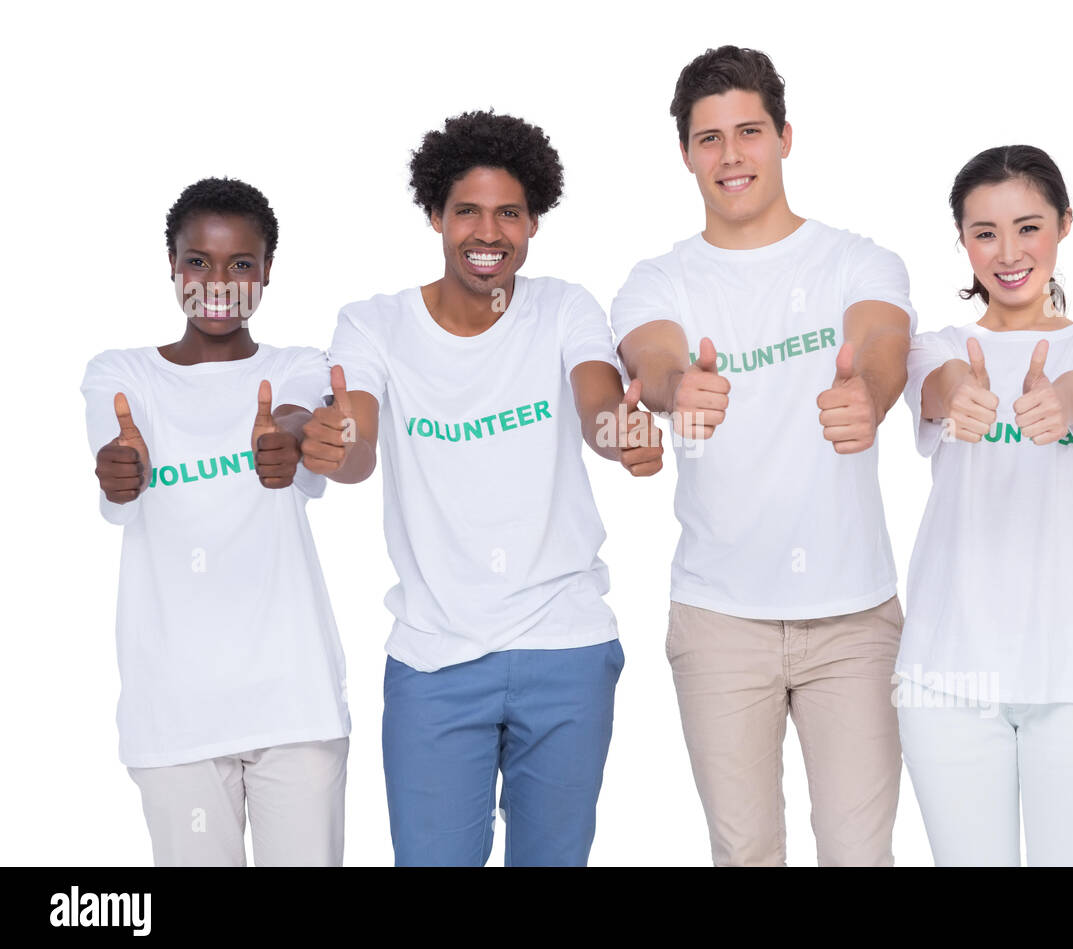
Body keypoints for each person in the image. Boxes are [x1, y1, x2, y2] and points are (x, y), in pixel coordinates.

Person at [302, 111, 662, 867]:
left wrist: (621, 435)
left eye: (508, 213)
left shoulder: (564, 307)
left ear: (534, 223)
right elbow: (360, 444)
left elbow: (599, 404)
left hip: (564, 647)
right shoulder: (374, 326)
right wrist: (339, 446)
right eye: (466, 210)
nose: (486, 232)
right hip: (435, 659)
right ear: (435, 215)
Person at [610, 46, 917, 866]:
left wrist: (872, 395)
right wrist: (679, 388)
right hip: (720, 620)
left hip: (853, 615)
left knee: (859, 854)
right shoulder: (658, 278)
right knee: (744, 853)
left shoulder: (858, 259)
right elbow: (653, 353)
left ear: (785, 137)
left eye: (749, 131)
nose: (731, 155)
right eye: (709, 139)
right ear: (685, 155)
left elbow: (884, 336)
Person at [80, 177, 350, 866]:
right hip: (176, 718)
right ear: (172, 265)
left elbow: (293, 413)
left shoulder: (298, 365)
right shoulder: (122, 375)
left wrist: (286, 438)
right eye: (198, 261)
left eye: (241, 264)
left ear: (267, 273)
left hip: (295, 707)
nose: (218, 282)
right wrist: (121, 468)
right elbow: (118, 470)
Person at [896, 145, 1073, 866]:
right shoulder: (935, 347)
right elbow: (938, 383)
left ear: (1065, 225)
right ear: (963, 241)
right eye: (984, 233)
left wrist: (1059, 400)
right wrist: (959, 394)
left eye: (1029, 227)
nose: (1008, 252)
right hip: (948, 675)